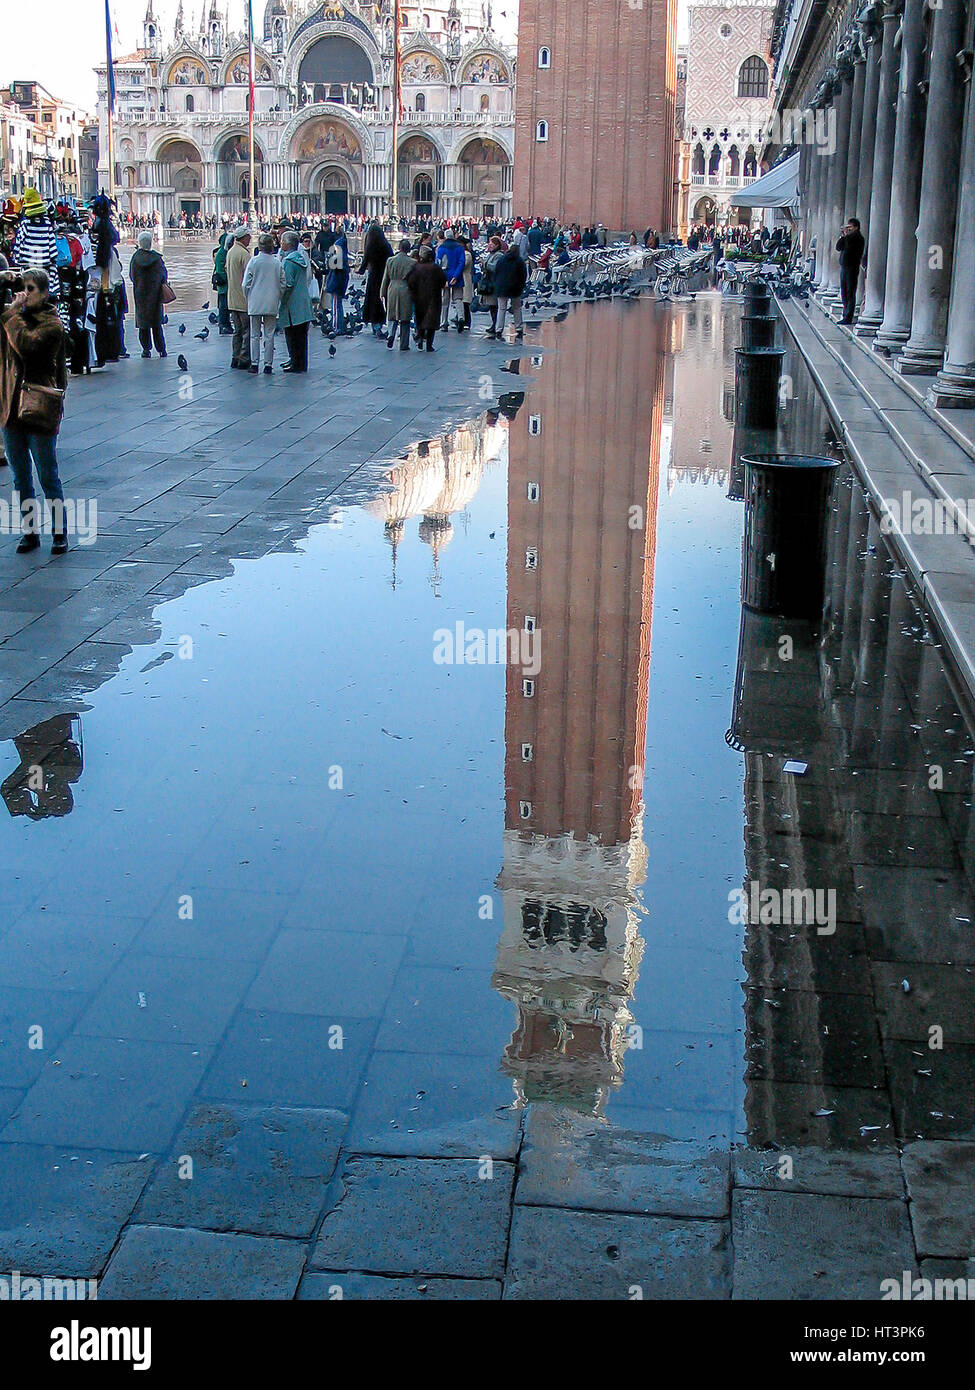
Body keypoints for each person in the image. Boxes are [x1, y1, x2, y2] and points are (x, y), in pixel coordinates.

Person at [0, 268, 69, 554]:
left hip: (39, 408)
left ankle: (59, 532)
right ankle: (30, 532)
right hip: (10, 409)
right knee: (20, 477)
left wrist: (12, 313)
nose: (24, 295)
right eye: (22, 288)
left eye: (30, 290)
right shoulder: (13, 316)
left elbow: (27, 345)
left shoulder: (52, 324)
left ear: (44, 292)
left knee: (47, 474)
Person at [242, 232, 285, 374]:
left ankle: (254, 363)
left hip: (255, 301)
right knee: (269, 334)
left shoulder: (253, 261)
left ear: (259, 246)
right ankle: (268, 364)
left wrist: (248, 297)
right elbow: (283, 284)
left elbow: (245, 284)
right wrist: (278, 296)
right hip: (271, 302)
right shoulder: (277, 262)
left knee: (255, 334)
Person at [128, 230, 169, 358]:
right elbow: (163, 275)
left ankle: (146, 350)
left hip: (140, 295)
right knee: (157, 325)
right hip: (155, 295)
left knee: (143, 325)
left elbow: (132, 276)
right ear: (150, 242)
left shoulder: (135, 258)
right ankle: (161, 350)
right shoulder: (157, 258)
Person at [278, 229, 313, 373]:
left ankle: (295, 363)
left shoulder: (288, 262)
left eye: (282, 241)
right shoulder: (300, 258)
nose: (280, 243)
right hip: (303, 303)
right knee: (301, 337)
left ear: (287, 244)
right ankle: (299, 362)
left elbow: (288, 284)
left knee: (292, 336)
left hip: (293, 305)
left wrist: (281, 300)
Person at [407, 246, 447, 352]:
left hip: (419, 297)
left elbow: (411, 282)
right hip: (434, 297)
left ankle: (419, 337)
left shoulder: (417, 267)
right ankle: (429, 345)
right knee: (431, 322)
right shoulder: (436, 268)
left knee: (420, 319)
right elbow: (443, 281)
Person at [359, 221, 393, 337]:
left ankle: (375, 325)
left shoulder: (370, 246)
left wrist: (360, 270)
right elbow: (391, 259)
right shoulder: (386, 245)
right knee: (383, 301)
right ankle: (383, 323)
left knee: (373, 301)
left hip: (373, 277)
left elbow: (365, 261)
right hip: (384, 276)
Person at [380, 238, 415, 350]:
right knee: (405, 319)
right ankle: (404, 344)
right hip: (406, 289)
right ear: (408, 249)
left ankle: (391, 335)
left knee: (392, 315)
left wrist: (382, 292)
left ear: (399, 248)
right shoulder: (412, 262)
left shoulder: (390, 260)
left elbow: (385, 278)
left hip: (392, 288)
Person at [226, 226, 252, 369]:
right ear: (244, 237)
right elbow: (249, 278)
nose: (250, 239)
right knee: (247, 330)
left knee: (237, 331)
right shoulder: (244, 254)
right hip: (243, 299)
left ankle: (235, 357)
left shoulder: (230, 252)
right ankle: (244, 358)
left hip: (232, 299)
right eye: (249, 237)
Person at [494, 241, 527, 339]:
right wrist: (521, 286)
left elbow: (496, 272)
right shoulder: (520, 261)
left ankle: (499, 329)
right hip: (515, 288)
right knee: (517, 308)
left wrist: (497, 284)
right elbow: (523, 276)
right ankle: (519, 327)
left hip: (502, 287)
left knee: (501, 309)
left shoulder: (502, 259)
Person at [436, 226, 466, 331]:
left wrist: (443, 279)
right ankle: (461, 317)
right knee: (458, 299)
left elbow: (438, 264)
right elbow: (462, 263)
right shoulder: (460, 248)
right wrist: (456, 276)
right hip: (457, 276)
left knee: (445, 300)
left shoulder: (441, 248)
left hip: (445, 276)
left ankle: (444, 322)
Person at [836, 216, 865, 325]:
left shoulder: (858, 238)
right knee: (844, 292)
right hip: (844, 267)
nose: (848, 229)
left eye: (850, 227)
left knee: (850, 292)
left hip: (852, 267)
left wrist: (846, 236)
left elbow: (849, 248)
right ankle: (845, 313)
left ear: (856, 228)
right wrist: (843, 236)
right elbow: (838, 247)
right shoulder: (847, 237)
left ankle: (848, 316)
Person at [479, 235, 504, 338]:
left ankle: (495, 325)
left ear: (497, 245)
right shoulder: (491, 254)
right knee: (491, 306)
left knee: (494, 306)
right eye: (489, 244)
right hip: (489, 281)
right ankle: (494, 324)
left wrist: (484, 264)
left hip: (493, 283)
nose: (490, 246)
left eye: (492, 244)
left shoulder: (498, 255)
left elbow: (495, 267)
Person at [325, 228, 350, 332]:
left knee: (335, 306)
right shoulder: (343, 260)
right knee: (338, 305)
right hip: (339, 285)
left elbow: (333, 269)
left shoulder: (338, 260)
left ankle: (335, 326)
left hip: (336, 285)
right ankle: (339, 324)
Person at [212, 233, 233, 334]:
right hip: (224, 285)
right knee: (224, 306)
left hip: (224, 285)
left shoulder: (221, 252)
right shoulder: (222, 253)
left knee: (224, 306)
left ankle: (225, 324)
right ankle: (224, 325)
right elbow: (221, 270)